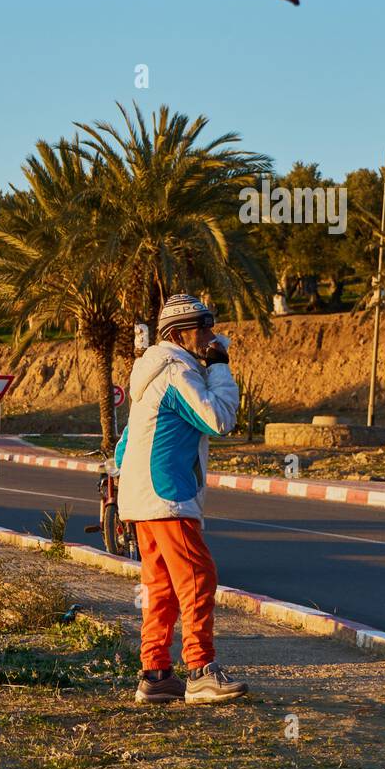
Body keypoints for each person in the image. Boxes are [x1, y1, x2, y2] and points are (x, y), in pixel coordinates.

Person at [114, 292, 248, 706]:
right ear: (177, 333)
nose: (210, 335)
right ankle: (201, 671)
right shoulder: (176, 374)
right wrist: (221, 367)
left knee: (161, 586)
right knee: (197, 576)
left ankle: (155, 675)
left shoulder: (150, 375)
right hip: (167, 494)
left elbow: (123, 448)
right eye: (203, 327)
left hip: (142, 495)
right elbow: (220, 418)